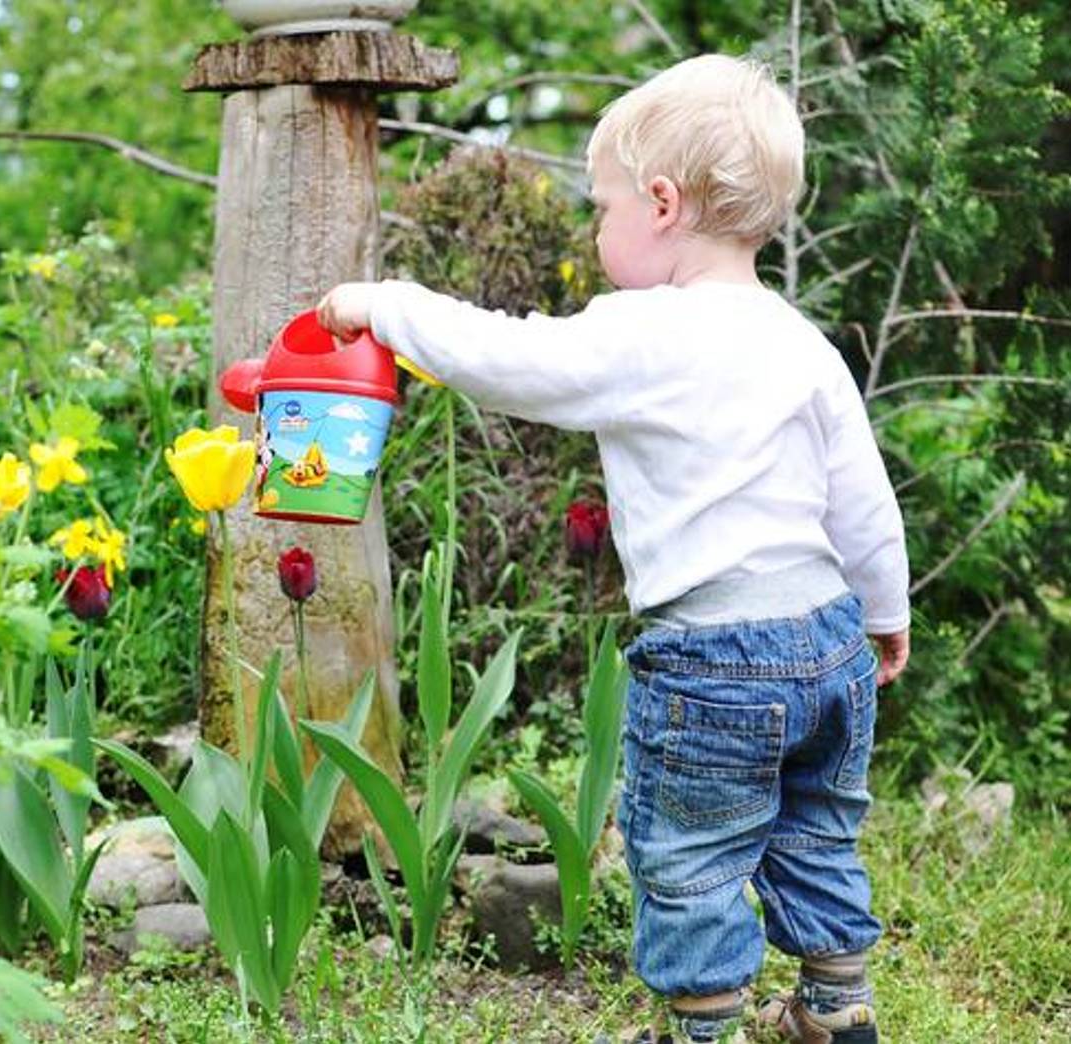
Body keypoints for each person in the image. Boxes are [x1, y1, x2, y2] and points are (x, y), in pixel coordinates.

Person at [317, 53, 909, 1044]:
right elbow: (863, 503)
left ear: (663, 205)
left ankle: (700, 1028)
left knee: (688, 852)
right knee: (813, 831)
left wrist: (383, 307)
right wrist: (882, 614)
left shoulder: (642, 333)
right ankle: (832, 1003)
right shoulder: (800, 342)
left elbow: (506, 360)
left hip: (713, 659)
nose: (596, 231)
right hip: (826, 639)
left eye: (602, 207)